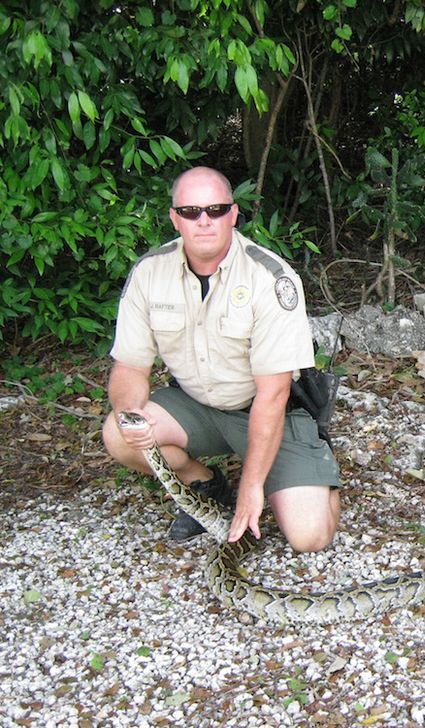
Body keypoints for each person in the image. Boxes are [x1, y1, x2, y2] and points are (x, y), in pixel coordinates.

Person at [102, 166, 340, 552]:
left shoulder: (270, 279)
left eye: (215, 209)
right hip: (199, 406)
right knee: (117, 433)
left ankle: (314, 464)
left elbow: (274, 394)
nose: (204, 221)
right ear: (174, 218)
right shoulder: (149, 273)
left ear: (233, 214)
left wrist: (253, 487)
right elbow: (130, 366)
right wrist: (131, 416)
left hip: (268, 412)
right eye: (191, 211)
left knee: (309, 537)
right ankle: (207, 484)